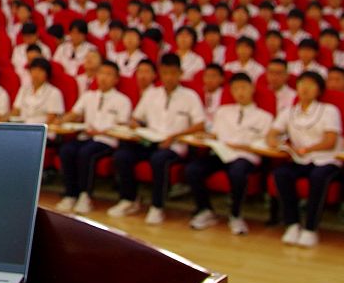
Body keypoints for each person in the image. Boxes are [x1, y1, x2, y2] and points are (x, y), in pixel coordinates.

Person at [117, 54, 205, 224]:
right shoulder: (152, 93)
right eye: (165, 73)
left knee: (159, 159)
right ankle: (129, 199)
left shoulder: (190, 96)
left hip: (175, 144)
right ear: (160, 74)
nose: (169, 77)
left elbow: (199, 125)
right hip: (150, 140)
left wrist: (175, 136)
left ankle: (157, 206)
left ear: (180, 73)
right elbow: (137, 117)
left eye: (173, 73)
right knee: (123, 155)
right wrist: (135, 124)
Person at [184, 74, 272, 235]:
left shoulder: (264, 117)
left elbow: (263, 145)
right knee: (193, 169)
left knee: (237, 171)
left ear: (252, 89)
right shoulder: (223, 111)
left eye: (244, 88)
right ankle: (205, 209)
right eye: (236, 89)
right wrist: (205, 136)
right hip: (221, 153)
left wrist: (240, 146)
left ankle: (236, 214)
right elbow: (216, 134)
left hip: (245, 156)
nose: (240, 92)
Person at [267, 72, 342, 247]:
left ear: (319, 90)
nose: (305, 88)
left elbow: (330, 141)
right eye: (302, 84)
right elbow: (272, 134)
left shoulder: (329, 110)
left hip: (325, 159)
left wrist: (307, 149)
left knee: (318, 177)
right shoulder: (289, 112)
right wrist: (279, 145)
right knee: (281, 174)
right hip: (299, 159)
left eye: (310, 84)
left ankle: (310, 228)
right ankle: (292, 224)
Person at [55, 61, 132, 215]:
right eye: (101, 73)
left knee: (87, 153)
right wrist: (61, 120)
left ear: (116, 79)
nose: (104, 78)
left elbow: (123, 125)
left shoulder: (122, 100)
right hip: (86, 136)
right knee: (66, 150)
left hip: (107, 139)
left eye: (109, 75)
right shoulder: (88, 96)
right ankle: (71, 193)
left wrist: (102, 131)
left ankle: (85, 195)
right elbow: (75, 113)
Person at [11, 58, 65, 124]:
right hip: (22, 128)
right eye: (34, 70)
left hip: (43, 131)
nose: (36, 74)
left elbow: (51, 119)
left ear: (47, 74)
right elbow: (16, 111)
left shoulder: (54, 92)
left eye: (40, 71)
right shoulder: (24, 89)